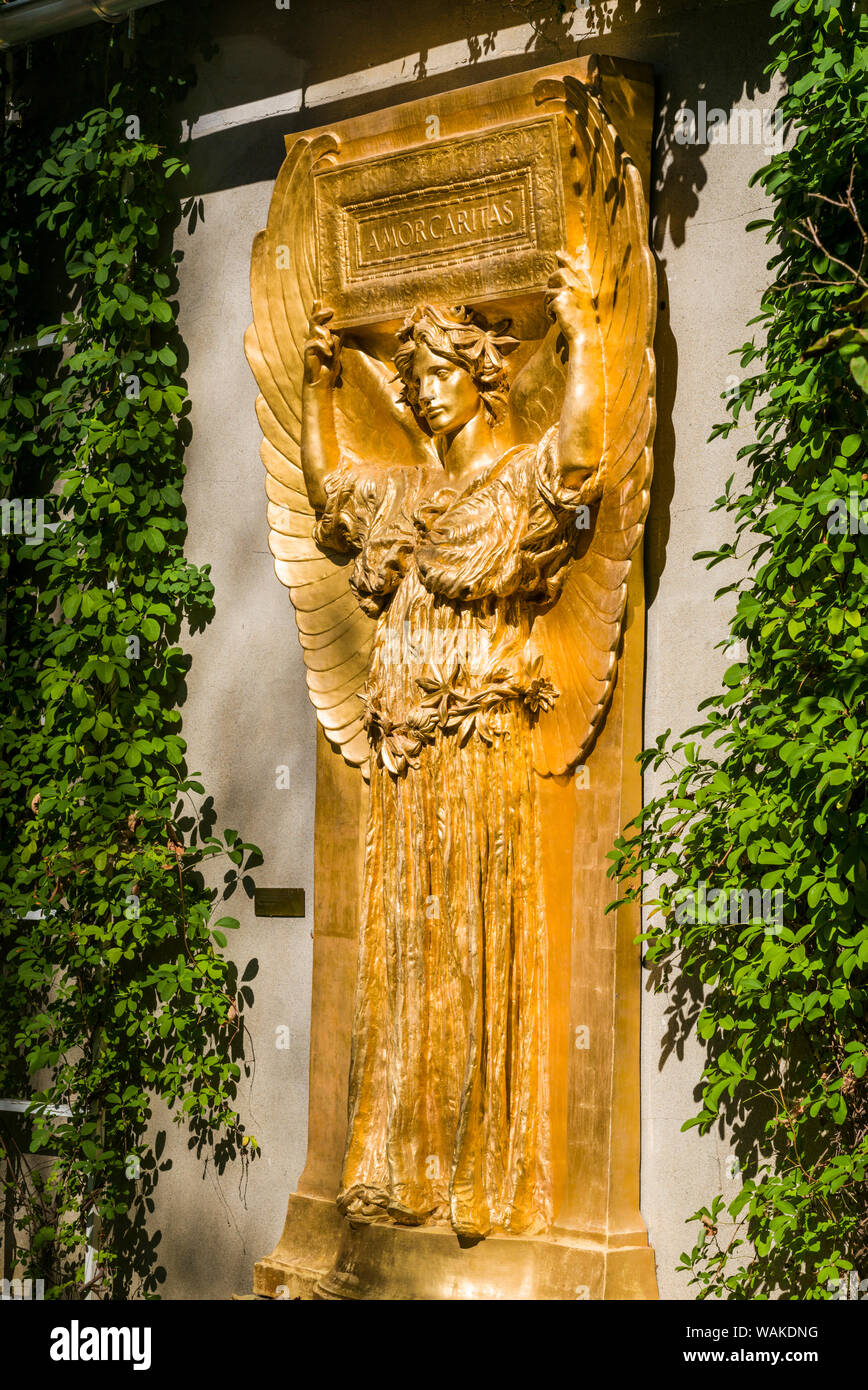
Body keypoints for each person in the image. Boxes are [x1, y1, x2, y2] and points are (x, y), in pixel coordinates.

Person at [300, 253, 605, 1238]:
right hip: (403, 750)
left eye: (438, 371)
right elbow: (323, 487)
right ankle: (403, 1161)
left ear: (479, 374)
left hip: (477, 739)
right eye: (411, 376)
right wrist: (314, 379)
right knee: (407, 945)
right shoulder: (395, 497)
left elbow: (580, 461)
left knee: (472, 935)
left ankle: (479, 1160)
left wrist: (589, 333)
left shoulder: (517, 483)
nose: (423, 394)